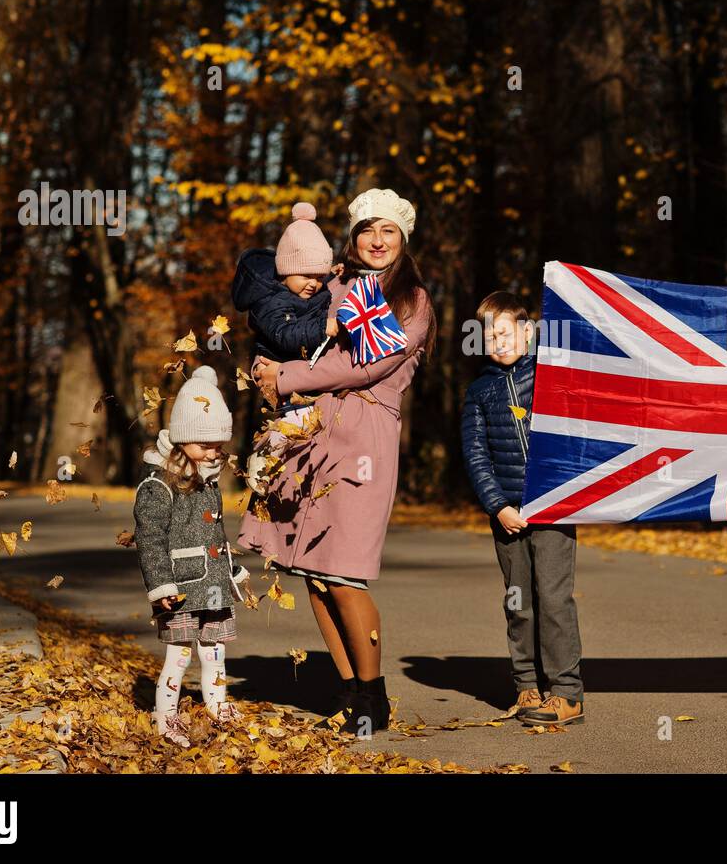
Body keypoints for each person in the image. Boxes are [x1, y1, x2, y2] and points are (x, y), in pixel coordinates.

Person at [239, 187, 436, 736]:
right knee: (314, 573)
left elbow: (363, 366)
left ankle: (375, 696)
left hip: (364, 440)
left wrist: (289, 377)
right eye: (367, 230)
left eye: (388, 231)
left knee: (345, 574)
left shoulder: (412, 300)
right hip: (310, 435)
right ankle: (348, 691)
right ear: (352, 238)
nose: (376, 240)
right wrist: (269, 362)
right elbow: (288, 325)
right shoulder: (334, 286)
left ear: (402, 240)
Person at [461, 292, 585, 726]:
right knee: (519, 602)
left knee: (553, 598)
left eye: (506, 332)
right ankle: (527, 686)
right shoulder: (480, 391)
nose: (498, 342)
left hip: (553, 510)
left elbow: (578, 433)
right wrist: (498, 507)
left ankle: (567, 693)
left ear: (528, 331)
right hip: (508, 516)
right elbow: (476, 456)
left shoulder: (554, 377)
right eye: (489, 336)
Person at [135, 365, 251, 747]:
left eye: (219, 446)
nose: (213, 453)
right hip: (181, 589)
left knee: (215, 651)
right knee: (179, 655)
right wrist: (160, 585)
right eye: (205, 446)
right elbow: (150, 538)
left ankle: (217, 704)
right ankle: (166, 716)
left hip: (213, 587)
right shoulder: (158, 486)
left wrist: (231, 570)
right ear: (183, 439)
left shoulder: (209, 479)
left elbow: (215, 533)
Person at [231, 201, 342, 493]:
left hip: (297, 370)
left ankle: (284, 467)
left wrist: (334, 274)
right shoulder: (269, 302)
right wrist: (323, 328)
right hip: (275, 365)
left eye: (320, 277)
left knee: (308, 424)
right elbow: (285, 335)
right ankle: (265, 456)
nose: (314, 284)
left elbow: (316, 280)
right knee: (298, 421)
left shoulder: (304, 286)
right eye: (307, 276)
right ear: (285, 270)